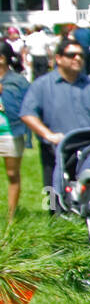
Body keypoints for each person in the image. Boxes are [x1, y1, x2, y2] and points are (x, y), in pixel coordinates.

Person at [19, 35, 90, 201]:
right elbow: (27, 113)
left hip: (88, 150)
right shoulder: (42, 85)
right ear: (58, 59)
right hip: (56, 150)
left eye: (80, 55)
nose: (77, 58)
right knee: (54, 197)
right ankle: (56, 223)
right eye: (71, 55)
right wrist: (48, 135)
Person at [0, 42, 31, 220]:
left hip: (10, 134)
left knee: (12, 174)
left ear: (2, 59)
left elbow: (28, 106)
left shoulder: (18, 81)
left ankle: (11, 217)